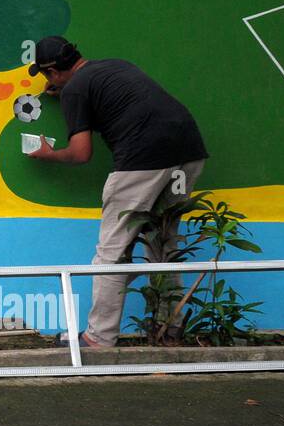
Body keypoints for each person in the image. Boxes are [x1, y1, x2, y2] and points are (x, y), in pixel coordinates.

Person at [24, 36, 208, 347]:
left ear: (53, 72)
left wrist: (48, 154)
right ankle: (169, 328)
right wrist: (68, 92)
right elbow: (119, 101)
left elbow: (81, 153)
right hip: (189, 151)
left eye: (46, 76)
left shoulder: (76, 90)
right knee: (164, 243)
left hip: (142, 159)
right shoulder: (114, 66)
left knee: (112, 252)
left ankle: (98, 338)